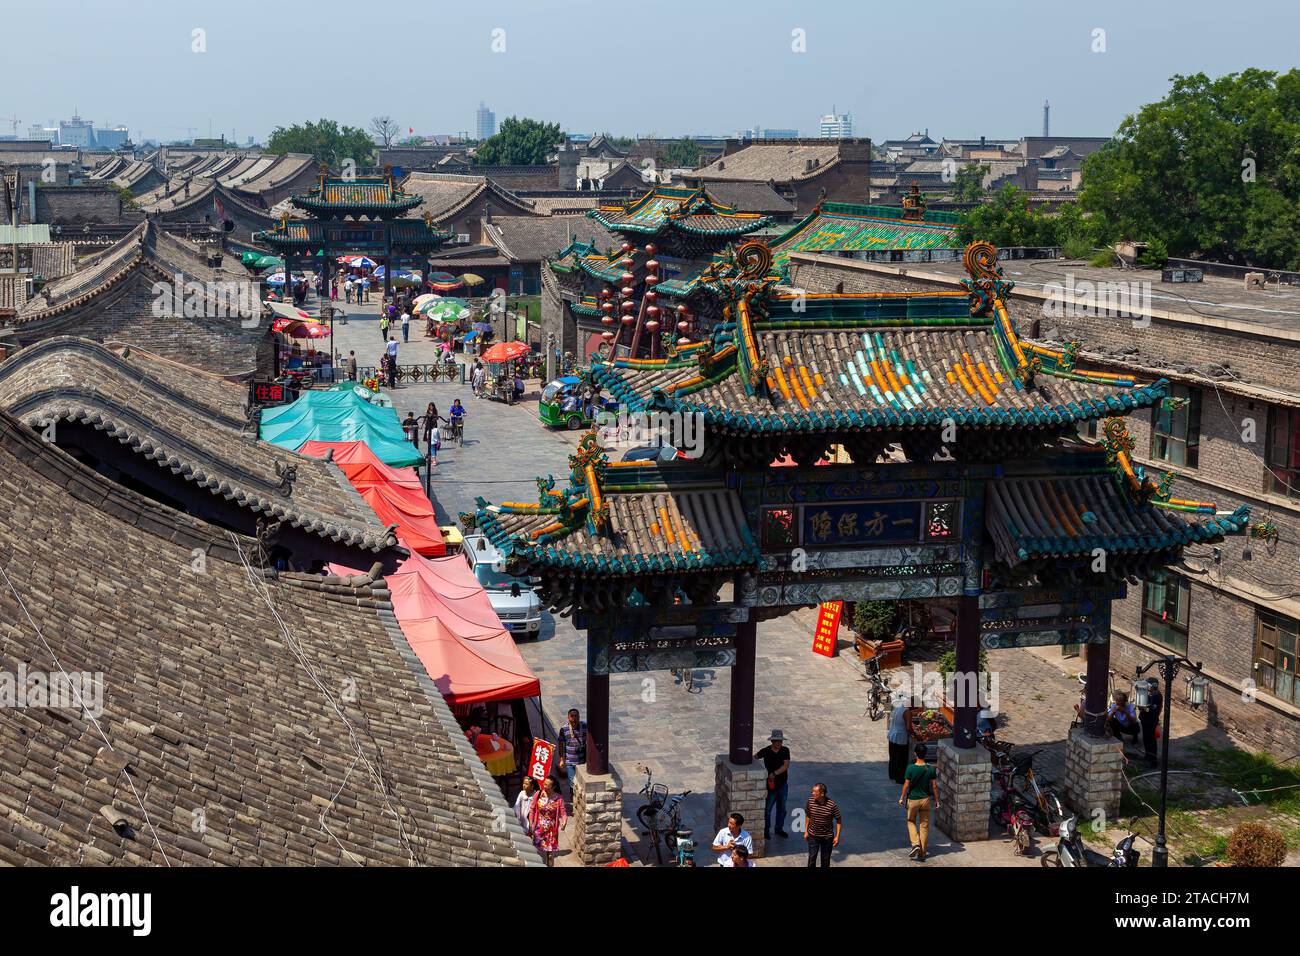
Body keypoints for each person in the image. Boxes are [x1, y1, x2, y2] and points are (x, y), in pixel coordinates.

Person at [899, 744, 939, 862]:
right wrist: (937, 801)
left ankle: (915, 843)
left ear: (915, 754)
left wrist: (901, 797)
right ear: (925, 754)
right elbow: (934, 786)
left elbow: (906, 785)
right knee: (924, 826)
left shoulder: (910, 768)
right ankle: (922, 853)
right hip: (926, 800)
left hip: (913, 800)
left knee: (911, 821)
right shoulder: (930, 769)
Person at [754, 729, 790, 840]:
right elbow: (754, 757)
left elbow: (786, 765)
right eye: (777, 741)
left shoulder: (785, 750)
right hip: (771, 786)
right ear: (772, 741)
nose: (779, 743)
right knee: (768, 810)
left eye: (780, 741)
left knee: (782, 809)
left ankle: (779, 829)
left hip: (782, 784)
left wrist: (774, 773)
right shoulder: (765, 751)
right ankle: (766, 831)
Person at [528, 777, 568, 866]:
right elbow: (532, 809)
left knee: (550, 856)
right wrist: (531, 823)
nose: (544, 786)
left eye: (547, 785)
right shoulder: (538, 794)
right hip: (539, 829)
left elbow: (563, 813)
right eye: (544, 784)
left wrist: (564, 821)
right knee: (539, 854)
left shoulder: (558, 798)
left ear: (553, 787)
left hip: (551, 831)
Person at [804, 783, 841, 867]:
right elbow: (808, 816)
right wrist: (806, 831)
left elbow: (838, 820)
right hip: (813, 835)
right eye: (812, 791)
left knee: (825, 860)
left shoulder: (832, 805)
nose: (812, 793)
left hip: (827, 837)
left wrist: (837, 836)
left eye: (814, 791)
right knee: (811, 858)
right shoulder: (810, 801)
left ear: (822, 793)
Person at [556, 708, 586, 791]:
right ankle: (573, 799)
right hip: (570, 761)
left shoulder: (584, 726)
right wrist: (561, 759)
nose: (574, 719)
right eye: (571, 717)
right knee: (572, 784)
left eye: (576, 716)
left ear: (579, 717)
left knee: (581, 783)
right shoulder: (564, 729)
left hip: (582, 761)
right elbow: (561, 745)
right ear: (568, 718)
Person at [887, 696, 913, 785]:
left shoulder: (898, 708)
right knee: (901, 759)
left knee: (893, 756)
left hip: (892, 735)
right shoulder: (907, 711)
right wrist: (915, 734)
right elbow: (908, 727)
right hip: (900, 737)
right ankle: (899, 778)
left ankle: (892, 774)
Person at [1137, 680, 1162, 766]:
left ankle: (1153, 759)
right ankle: (1147, 755)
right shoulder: (1148, 693)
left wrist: (1142, 707)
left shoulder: (1156, 695)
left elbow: (1151, 709)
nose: (1147, 687)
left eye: (1148, 685)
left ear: (1153, 686)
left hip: (1151, 720)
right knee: (1146, 738)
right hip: (1145, 719)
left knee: (1151, 739)